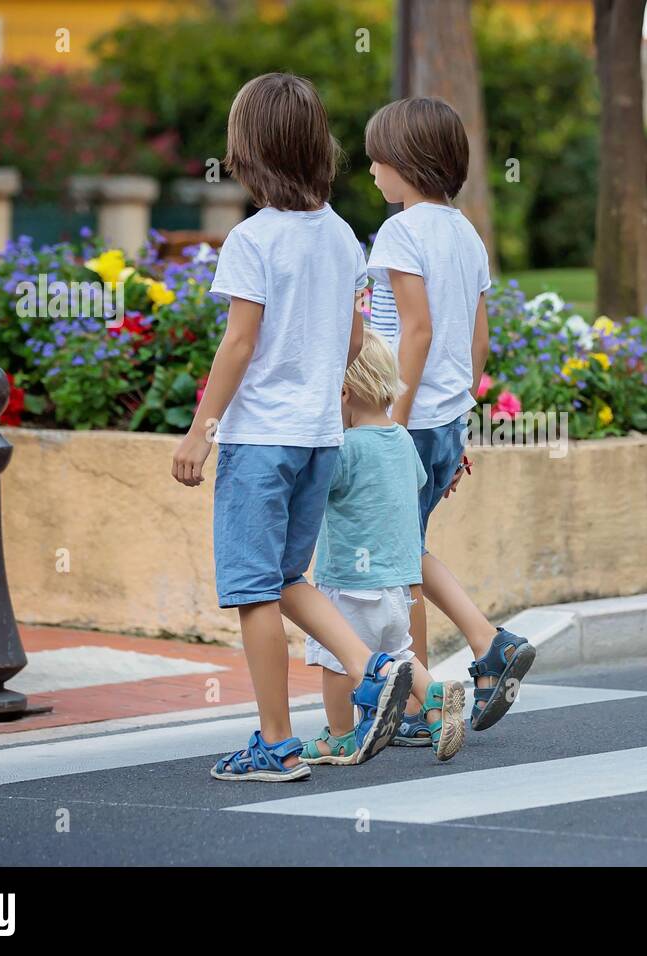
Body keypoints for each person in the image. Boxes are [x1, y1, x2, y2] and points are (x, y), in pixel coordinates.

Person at [172, 73, 411, 781]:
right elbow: (352, 341)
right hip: (318, 439)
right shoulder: (340, 237)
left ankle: (275, 744)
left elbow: (239, 343)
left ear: (247, 154)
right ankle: (372, 673)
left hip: (258, 442)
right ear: (318, 150)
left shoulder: (252, 239)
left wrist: (200, 432)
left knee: (252, 592)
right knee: (287, 577)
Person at [363, 96, 536, 740]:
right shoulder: (465, 232)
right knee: (404, 554)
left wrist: (391, 425)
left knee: (399, 554)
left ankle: (476, 651)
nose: (372, 170)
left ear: (406, 164)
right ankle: (425, 692)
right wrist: (456, 419)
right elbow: (477, 339)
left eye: (379, 158)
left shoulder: (400, 233)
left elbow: (417, 330)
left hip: (404, 420)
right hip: (443, 420)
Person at [300, 331, 466, 764]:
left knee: (336, 659)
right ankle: (433, 696)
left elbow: (316, 492)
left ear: (344, 391)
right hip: (397, 587)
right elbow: (418, 482)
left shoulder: (345, 448)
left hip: (350, 581)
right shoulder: (402, 439)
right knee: (399, 654)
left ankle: (339, 734)